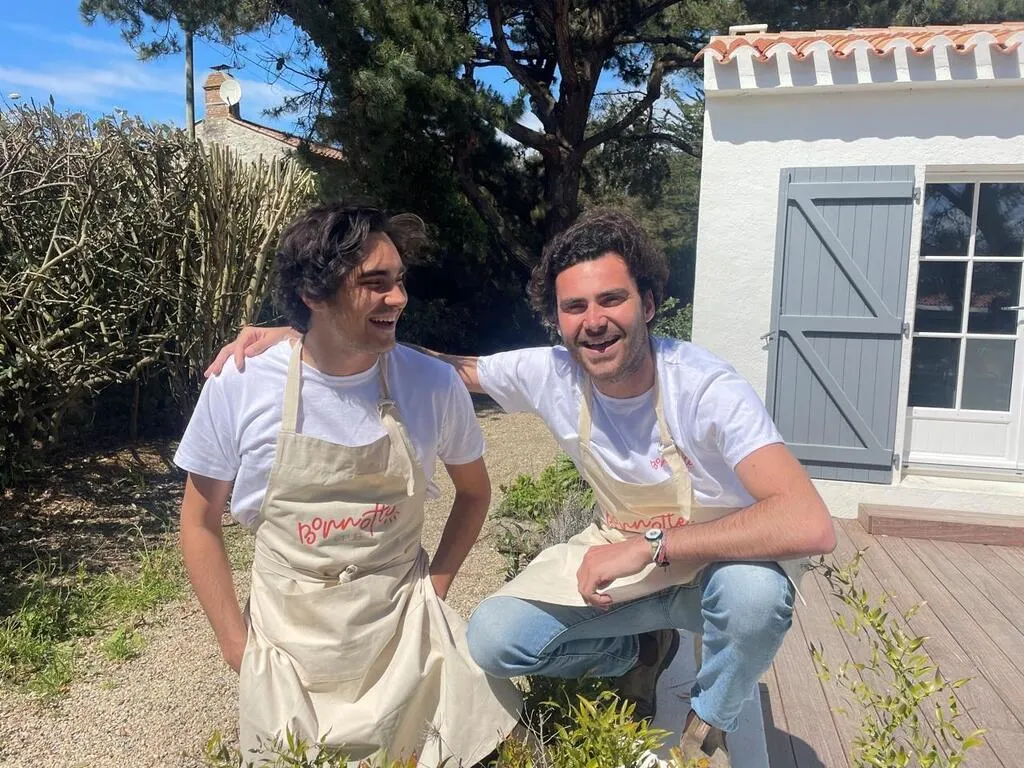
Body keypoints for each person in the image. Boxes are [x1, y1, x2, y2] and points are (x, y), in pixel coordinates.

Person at [207, 208, 836, 767]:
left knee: (753, 597)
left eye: (611, 300)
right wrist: (310, 335)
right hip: (630, 566)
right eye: (574, 308)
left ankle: (709, 726)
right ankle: (637, 654)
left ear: (647, 304)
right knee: (492, 638)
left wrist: (653, 545)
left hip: (715, 568)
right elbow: (448, 368)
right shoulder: (554, 373)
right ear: (557, 320)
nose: (594, 322)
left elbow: (810, 523)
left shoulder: (706, 387)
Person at [175, 202, 520, 767]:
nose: (399, 299)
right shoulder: (239, 386)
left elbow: (476, 492)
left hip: (404, 632)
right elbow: (198, 522)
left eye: (400, 281)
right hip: (289, 646)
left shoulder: (432, 385)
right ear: (313, 294)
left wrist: (436, 584)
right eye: (375, 283)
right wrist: (237, 645)